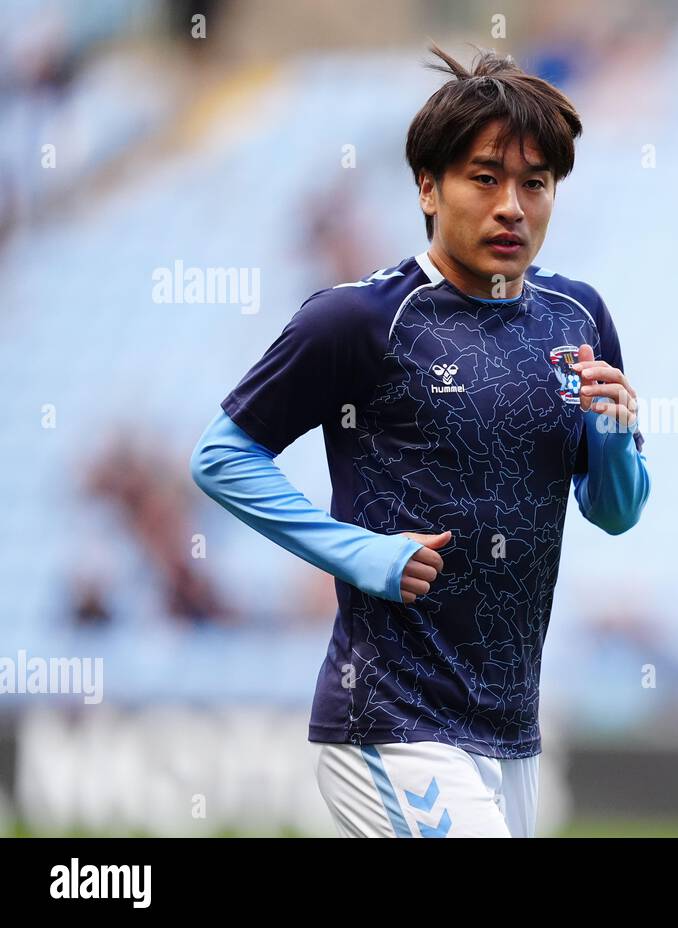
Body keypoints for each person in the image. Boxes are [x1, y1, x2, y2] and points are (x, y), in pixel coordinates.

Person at [192, 45, 649, 838]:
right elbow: (222, 457)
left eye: (535, 183)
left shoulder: (579, 318)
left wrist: (614, 442)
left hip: (512, 731)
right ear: (428, 187)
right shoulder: (358, 320)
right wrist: (358, 552)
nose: (513, 205)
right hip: (390, 717)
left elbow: (614, 512)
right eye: (485, 177)